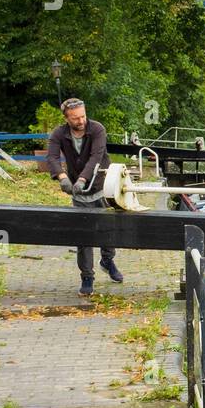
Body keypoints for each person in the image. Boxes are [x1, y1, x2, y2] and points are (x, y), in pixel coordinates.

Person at [45, 98, 123, 295]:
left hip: (102, 185)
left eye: (83, 116)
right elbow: (52, 157)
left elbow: (96, 157)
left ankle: (107, 259)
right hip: (78, 192)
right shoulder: (59, 134)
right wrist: (62, 177)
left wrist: (83, 179)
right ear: (66, 118)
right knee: (84, 234)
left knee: (107, 229)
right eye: (75, 118)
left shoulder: (97, 130)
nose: (81, 121)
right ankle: (87, 276)